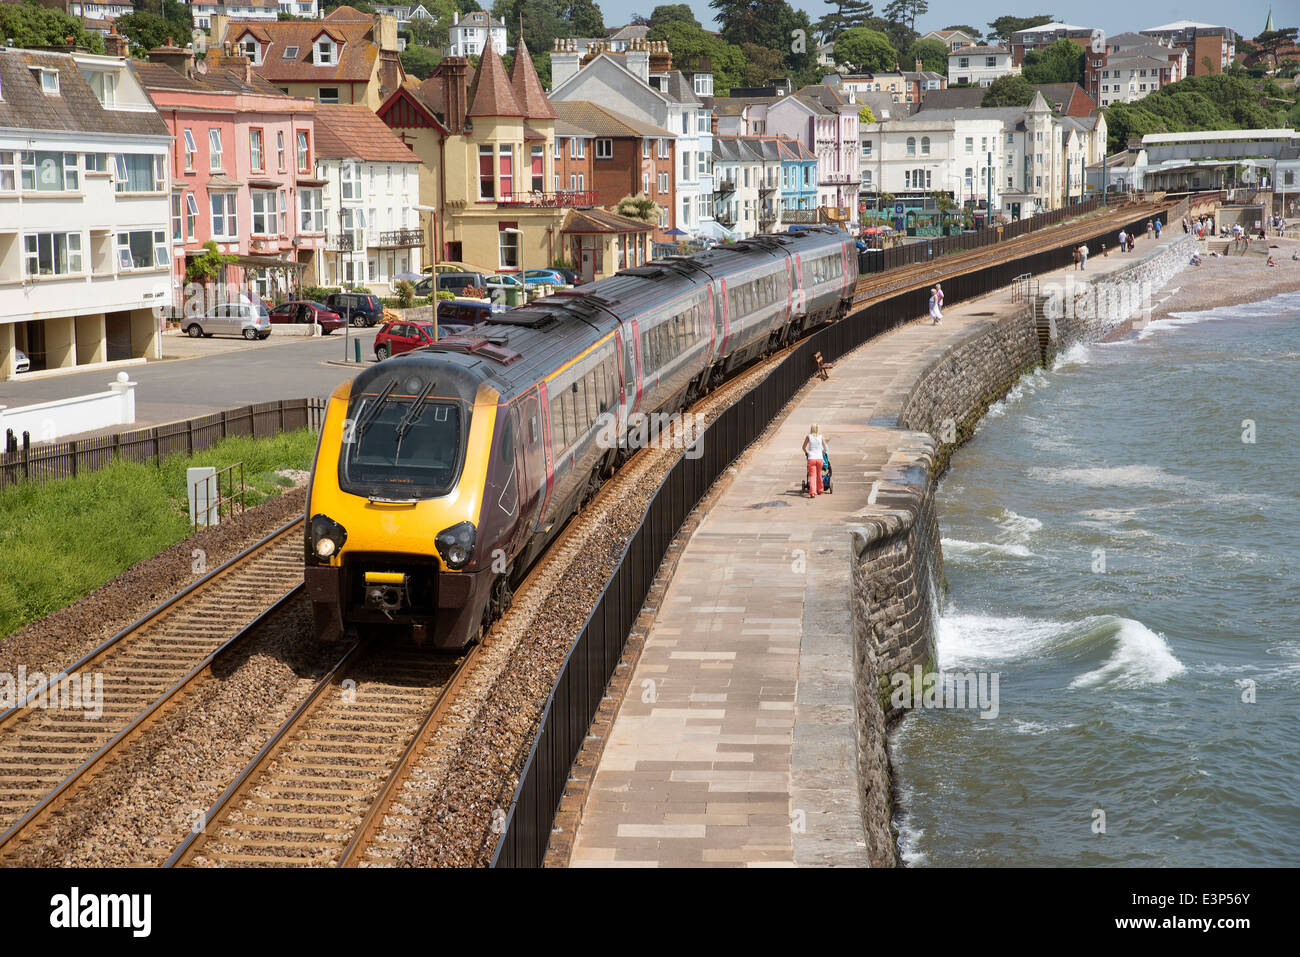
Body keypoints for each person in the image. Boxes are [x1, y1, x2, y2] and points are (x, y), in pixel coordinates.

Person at [803, 425, 826, 498]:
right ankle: (820, 490)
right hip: (819, 459)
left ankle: (813, 492)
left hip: (811, 458)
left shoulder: (808, 436)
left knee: (812, 476)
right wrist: (820, 453)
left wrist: (807, 452)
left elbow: (803, 447)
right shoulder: (821, 437)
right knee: (819, 474)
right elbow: (825, 449)